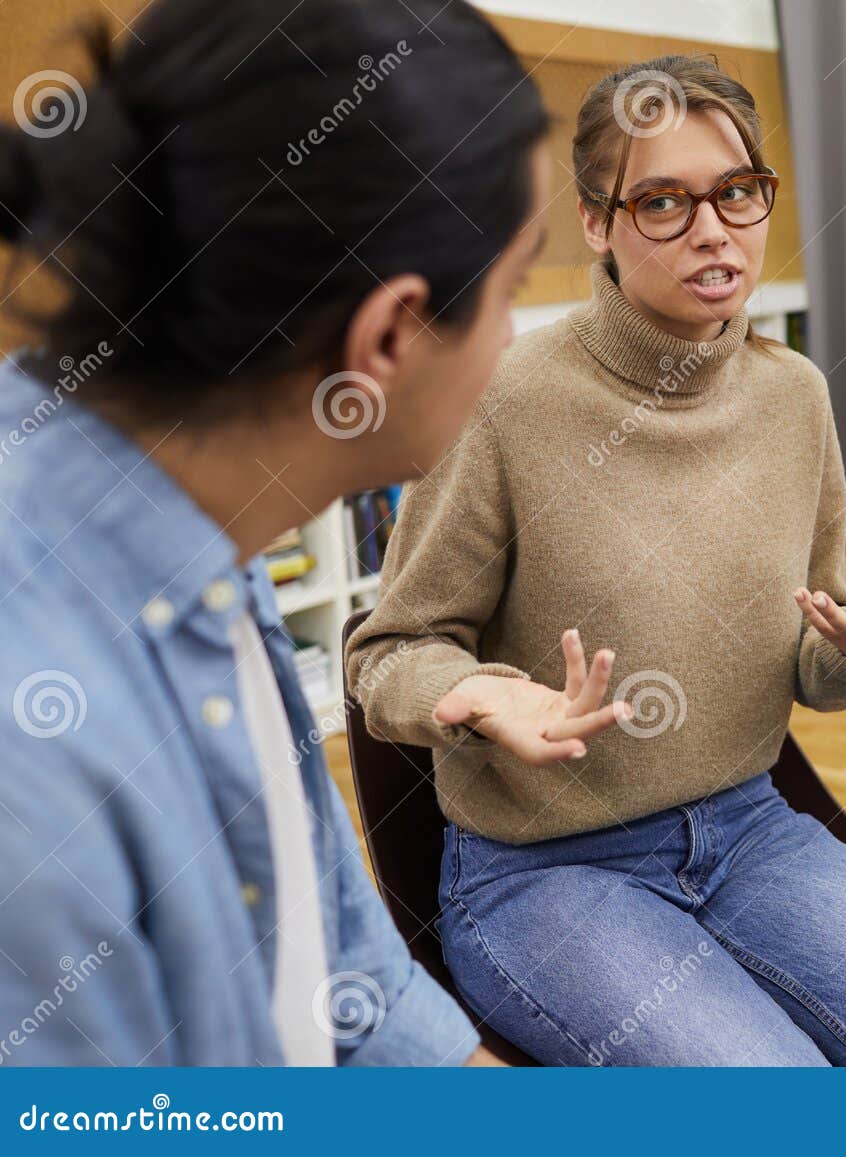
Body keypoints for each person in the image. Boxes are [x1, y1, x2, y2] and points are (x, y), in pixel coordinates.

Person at [345, 54, 846, 1067]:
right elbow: (386, 653)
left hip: (753, 829)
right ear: (595, 222)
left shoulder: (792, 393)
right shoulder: (507, 400)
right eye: (662, 200)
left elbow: (810, 659)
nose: (713, 230)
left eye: (738, 193)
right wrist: (482, 696)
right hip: (542, 872)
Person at [0, 0, 573, 1065]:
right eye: (512, 289)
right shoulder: (36, 771)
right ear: (390, 336)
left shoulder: (203, 521)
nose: (510, 341)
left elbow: (341, 972)